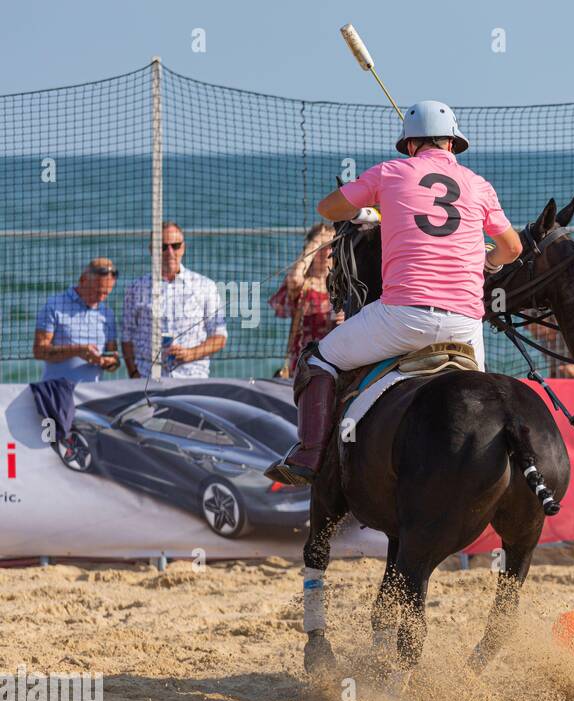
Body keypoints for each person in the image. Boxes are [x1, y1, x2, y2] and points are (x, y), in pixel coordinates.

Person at [265, 100, 523, 485]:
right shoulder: (479, 185)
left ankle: (308, 455)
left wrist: (365, 210)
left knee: (318, 360)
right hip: (466, 326)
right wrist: (488, 263)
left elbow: (328, 209)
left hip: (403, 316)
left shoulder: (389, 172)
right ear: (452, 144)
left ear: (409, 145)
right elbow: (513, 248)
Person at [121, 222, 228, 378]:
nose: (170, 252)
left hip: (192, 378)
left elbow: (219, 336)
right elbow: (126, 336)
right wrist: (133, 373)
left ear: (183, 248)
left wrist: (190, 354)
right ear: (152, 250)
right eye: (163, 247)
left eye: (175, 246)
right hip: (148, 379)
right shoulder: (136, 288)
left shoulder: (205, 286)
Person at [33, 258, 121, 382]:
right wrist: (77, 350)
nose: (100, 298)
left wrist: (108, 362)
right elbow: (39, 351)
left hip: (94, 393)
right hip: (57, 391)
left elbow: (113, 359)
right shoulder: (54, 306)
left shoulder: (108, 314)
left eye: (106, 293)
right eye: (96, 292)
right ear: (83, 280)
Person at [282, 231, 343, 376]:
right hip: (304, 362)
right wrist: (315, 242)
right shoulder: (304, 285)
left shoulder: (342, 285)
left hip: (335, 360)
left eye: (331, 245)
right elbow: (295, 278)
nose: (327, 251)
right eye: (322, 246)